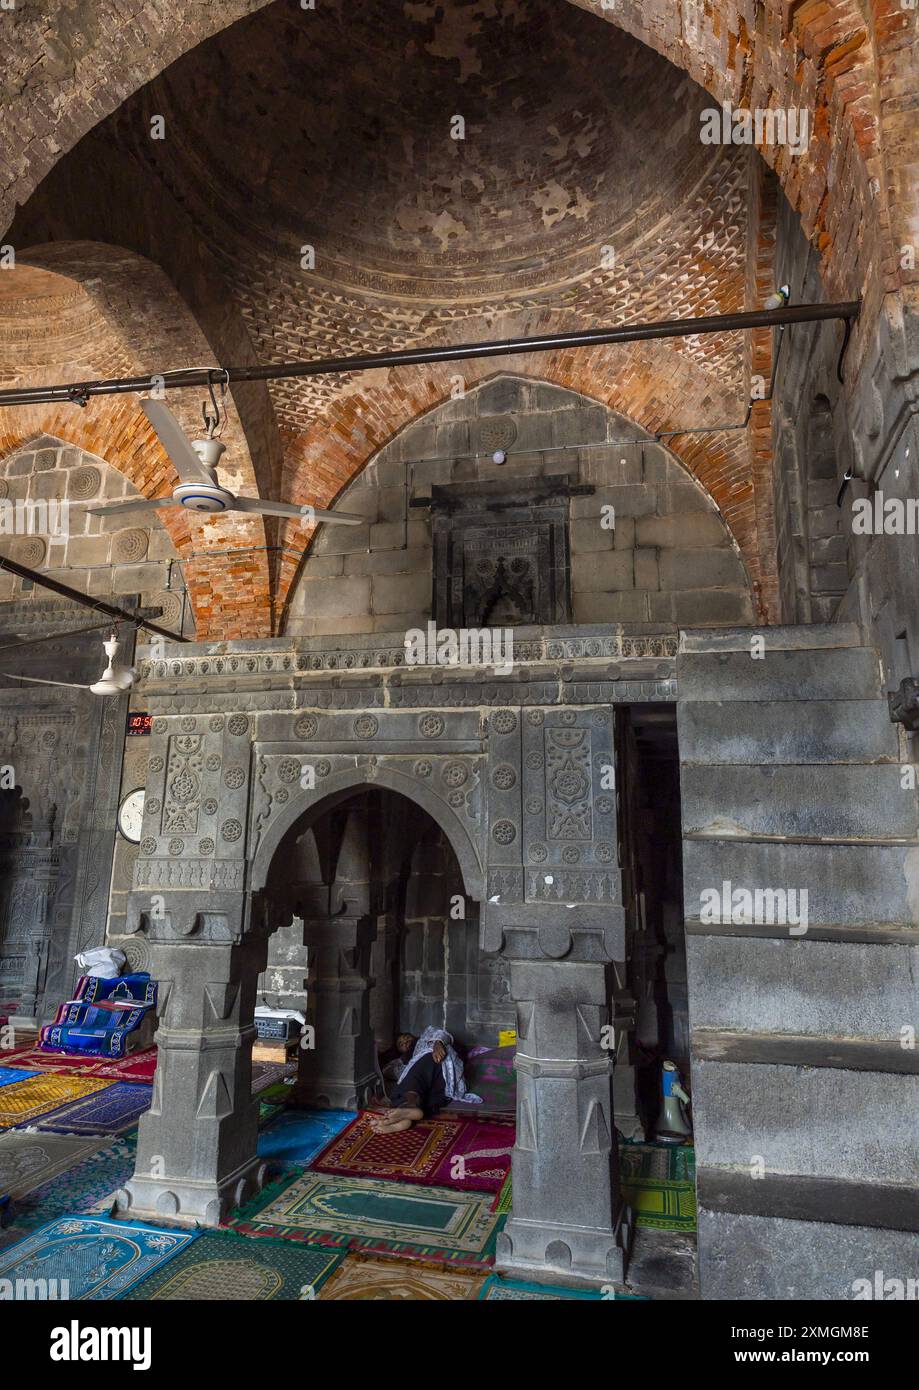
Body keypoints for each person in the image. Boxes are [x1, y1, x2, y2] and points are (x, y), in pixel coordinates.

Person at [369, 1027, 482, 1135]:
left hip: (444, 1064)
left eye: (406, 1037)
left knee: (414, 1078)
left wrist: (438, 1043)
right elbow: (389, 1071)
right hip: (439, 1087)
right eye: (401, 1044)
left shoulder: (425, 1038)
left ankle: (407, 1107)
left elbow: (443, 1034)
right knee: (409, 1088)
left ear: (413, 1036)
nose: (405, 1042)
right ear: (400, 1051)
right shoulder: (407, 1061)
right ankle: (404, 1120)